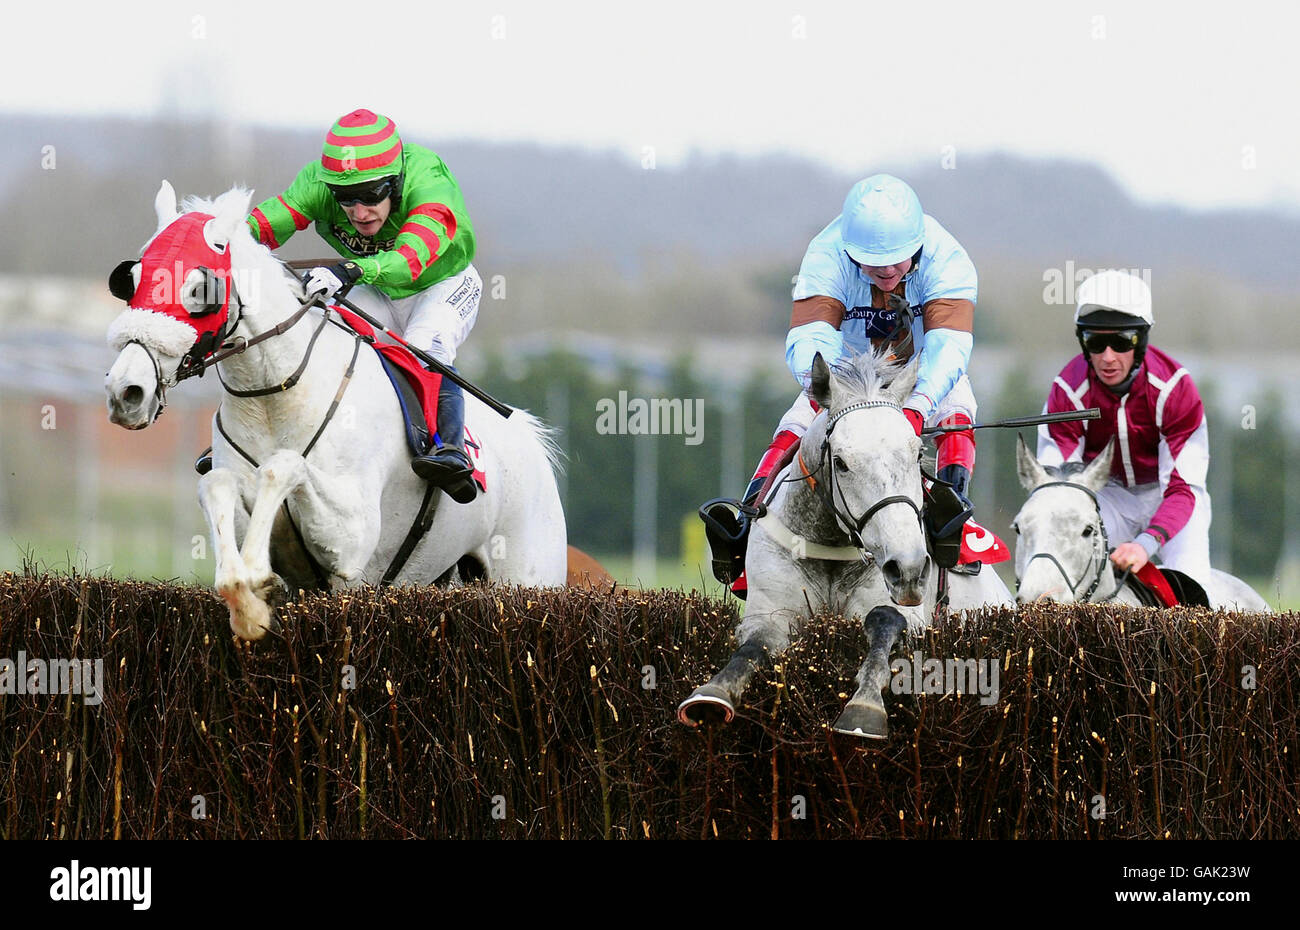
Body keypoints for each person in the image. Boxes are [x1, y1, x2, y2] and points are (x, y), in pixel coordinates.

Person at [703, 174, 980, 596]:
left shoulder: (949, 258)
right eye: (872, 260)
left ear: (918, 246)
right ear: (849, 250)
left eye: (898, 259)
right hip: (850, 378)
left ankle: (952, 519)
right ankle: (745, 524)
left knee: (958, 409)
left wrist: (917, 407)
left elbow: (949, 349)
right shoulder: (825, 255)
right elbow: (809, 341)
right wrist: (841, 396)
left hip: (918, 375)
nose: (887, 270)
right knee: (795, 425)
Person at [242, 108, 481, 503]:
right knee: (325, 334)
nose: (359, 211)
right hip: (377, 284)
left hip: (441, 283)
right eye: (346, 198)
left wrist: (353, 269)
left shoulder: (428, 180)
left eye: (371, 195)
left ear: (397, 180)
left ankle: (451, 449)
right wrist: (216, 243)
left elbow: (411, 259)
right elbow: (265, 225)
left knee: (423, 346)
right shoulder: (317, 183)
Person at [1037, 269, 1212, 588]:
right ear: (1082, 340)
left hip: (1169, 496)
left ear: (1141, 340)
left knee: (1194, 591)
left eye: (1121, 342)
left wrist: (1146, 544)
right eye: (1095, 342)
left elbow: (1182, 488)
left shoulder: (1175, 390)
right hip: (1108, 496)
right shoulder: (1067, 390)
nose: (1107, 357)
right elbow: (1059, 485)